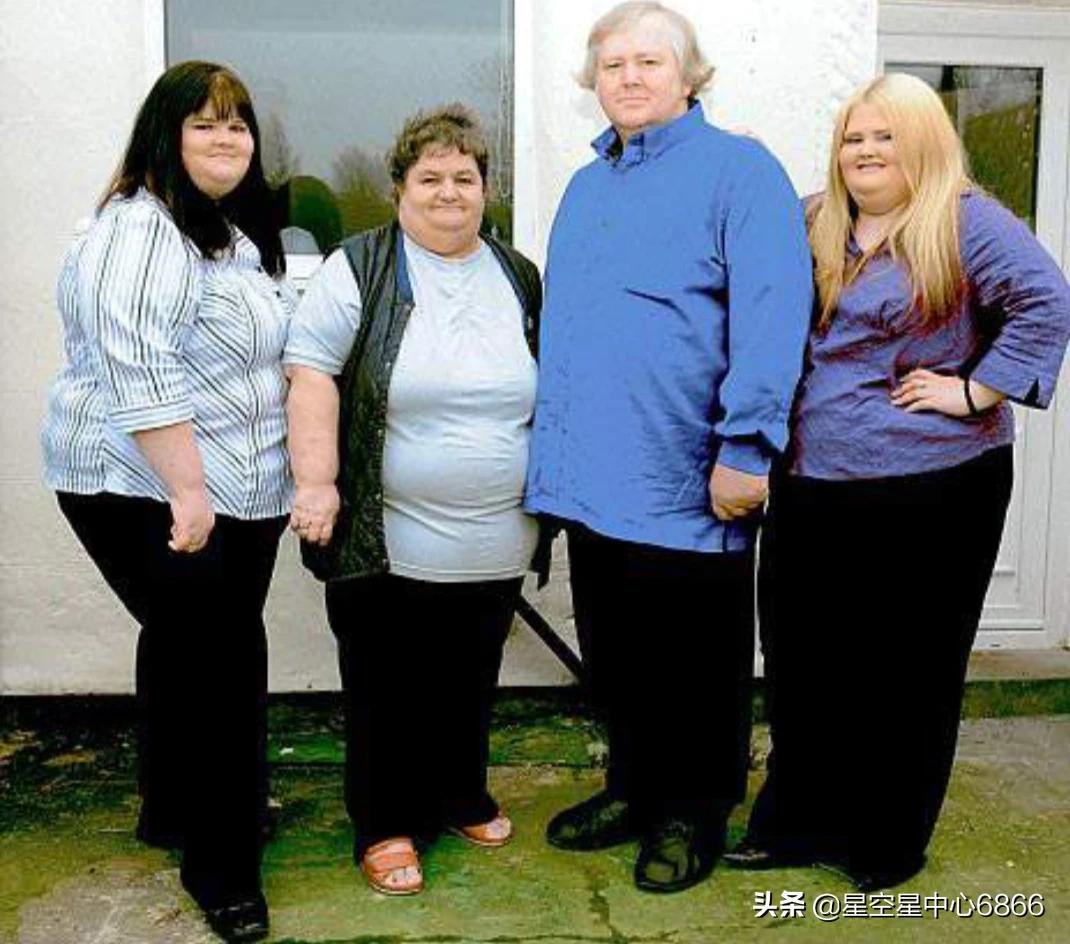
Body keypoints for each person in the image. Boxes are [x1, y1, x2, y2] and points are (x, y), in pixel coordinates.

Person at [724, 73, 1070, 891]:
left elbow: (1047, 302)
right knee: (805, 661)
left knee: (908, 668)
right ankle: (796, 823)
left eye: (886, 136)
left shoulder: (965, 219)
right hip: (814, 481)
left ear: (924, 144)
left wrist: (976, 390)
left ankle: (885, 839)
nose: (867, 151)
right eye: (854, 138)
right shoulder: (814, 218)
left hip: (935, 487)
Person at [524, 1, 813, 893]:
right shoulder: (586, 188)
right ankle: (635, 789)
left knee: (696, 665)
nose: (630, 78)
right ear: (593, 82)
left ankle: (695, 811)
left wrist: (748, 448)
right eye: (613, 65)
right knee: (616, 655)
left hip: (689, 476)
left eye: (649, 62)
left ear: (690, 77)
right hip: (592, 478)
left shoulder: (740, 173)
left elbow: (773, 316)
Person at [41, 61, 292, 942]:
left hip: (237, 484)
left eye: (238, 124)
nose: (227, 139)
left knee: (189, 646)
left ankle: (175, 807)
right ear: (164, 135)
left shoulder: (220, 232)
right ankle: (223, 868)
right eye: (204, 123)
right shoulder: (141, 229)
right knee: (222, 662)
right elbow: (138, 366)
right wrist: (187, 491)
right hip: (149, 484)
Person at [284, 104, 544, 896]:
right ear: (399, 187)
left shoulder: (516, 273)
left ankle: (460, 793)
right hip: (386, 531)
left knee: (470, 673)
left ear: (485, 189)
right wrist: (317, 482)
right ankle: (385, 821)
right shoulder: (358, 267)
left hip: (496, 532)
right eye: (430, 177)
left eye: (464, 177)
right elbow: (311, 374)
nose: (448, 192)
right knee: (386, 685)